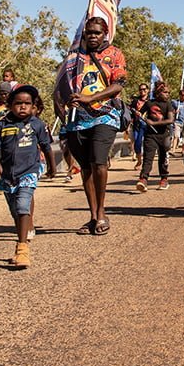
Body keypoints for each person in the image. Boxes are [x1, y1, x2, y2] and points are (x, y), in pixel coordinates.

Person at [53, 16, 127, 237]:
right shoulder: (74, 57)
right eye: (89, 33)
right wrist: (60, 104)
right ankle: (93, 215)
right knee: (85, 166)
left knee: (98, 161)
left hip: (104, 115)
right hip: (77, 119)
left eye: (97, 33)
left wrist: (91, 98)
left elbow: (118, 85)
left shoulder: (114, 54)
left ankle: (102, 211)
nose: (93, 36)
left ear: (105, 34)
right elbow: (60, 85)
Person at [0, 85, 54, 268]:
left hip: (29, 171)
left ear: (33, 106)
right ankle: (22, 238)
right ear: (9, 105)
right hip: (8, 176)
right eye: (18, 103)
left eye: (27, 103)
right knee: (16, 211)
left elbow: (46, 146)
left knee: (23, 205)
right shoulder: (1, 125)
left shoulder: (37, 125)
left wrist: (52, 168)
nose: (23, 107)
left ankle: (22, 250)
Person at [137, 82, 175, 191]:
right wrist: (139, 114)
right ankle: (143, 179)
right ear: (158, 93)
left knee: (163, 158)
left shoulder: (168, 104)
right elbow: (140, 112)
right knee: (148, 158)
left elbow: (170, 120)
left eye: (168, 92)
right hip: (150, 135)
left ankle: (164, 179)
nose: (167, 94)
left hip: (164, 135)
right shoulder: (149, 103)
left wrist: (154, 123)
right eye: (165, 92)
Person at [128, 83, 149, 164]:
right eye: (140, 89)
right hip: (137, 125)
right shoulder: (135, 100)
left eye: (144, 89)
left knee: (148, 143)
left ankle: (146, 161)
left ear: (147, 90)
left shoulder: (151, 100)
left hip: (148, 125)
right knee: (137, 143)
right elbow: (130, 112)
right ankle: (139, 160)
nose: (142, 91)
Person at [172, 89, 184, 154]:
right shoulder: (176, 102)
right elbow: (171, 110)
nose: (183, 96)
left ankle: (183, 151)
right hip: (177, 122)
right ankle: (173, 150)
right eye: (182, 95)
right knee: (176, 136)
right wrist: (174, 112)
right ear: (179, 95)